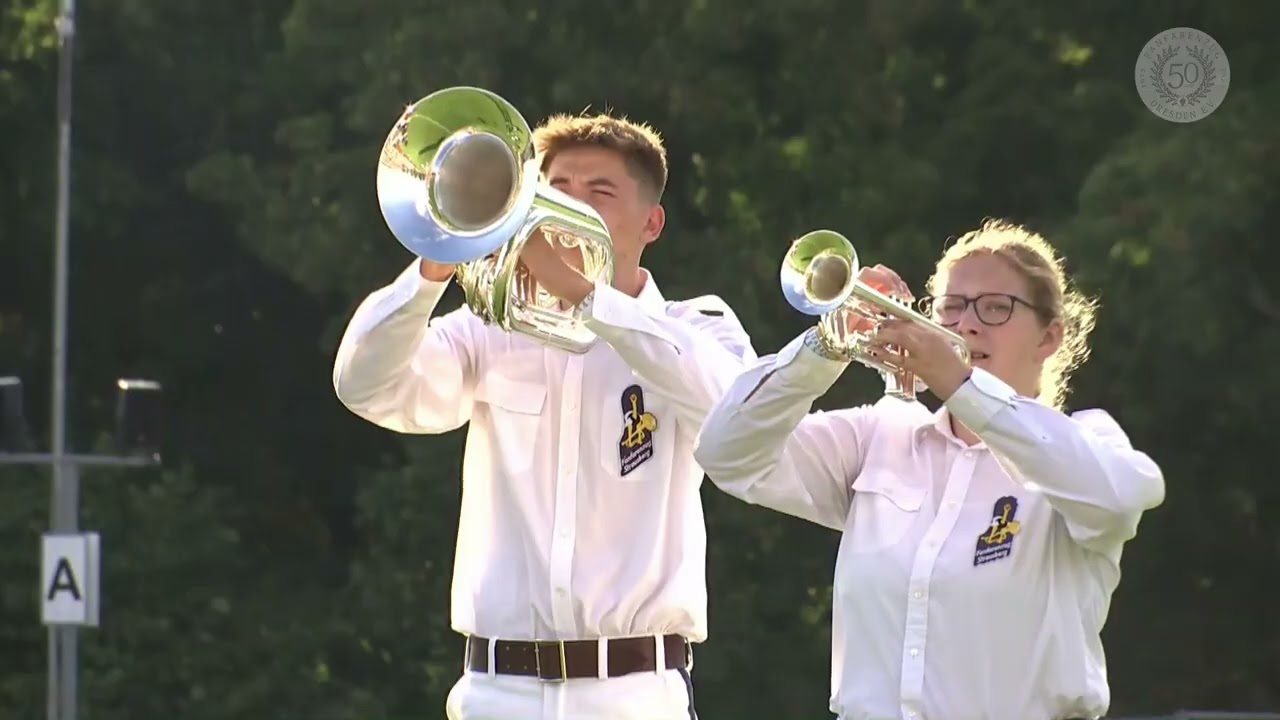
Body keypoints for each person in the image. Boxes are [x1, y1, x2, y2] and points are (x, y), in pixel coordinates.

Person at [333, 110, 756, 720]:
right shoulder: (489, 329)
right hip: (495, 690)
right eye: (556, 188)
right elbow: (365, 386)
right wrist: (436, 262)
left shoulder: (697, 326)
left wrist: (585, 294)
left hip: (636, 693)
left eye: (600, 192)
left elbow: (740, 418)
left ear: (651, 222)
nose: (571, 205)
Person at [692, 219, 1165, 720]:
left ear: (1050, 337)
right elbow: (726, 452)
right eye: (952, 306)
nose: (968, 324)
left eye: (996, 308)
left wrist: (962, 385)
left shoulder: (1085, 440)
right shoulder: (880, 437)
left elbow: (1119, 499)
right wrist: (824, 347)